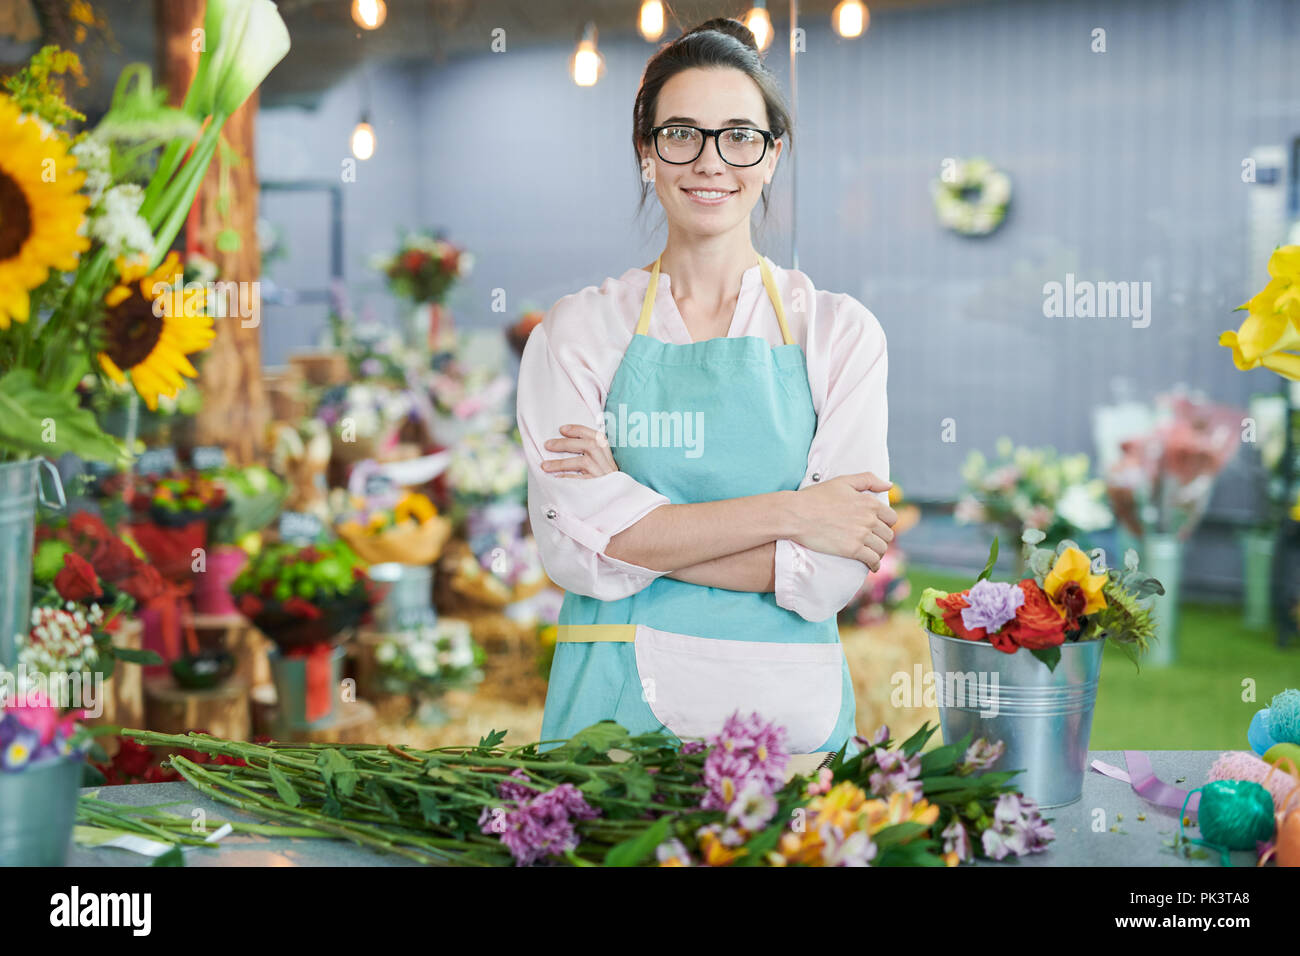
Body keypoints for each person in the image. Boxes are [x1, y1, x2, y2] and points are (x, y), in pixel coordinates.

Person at [515, 17, 896, 762]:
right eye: (681, 133)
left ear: (771, 155)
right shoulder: (579, 332)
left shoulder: (839, 333)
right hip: (611, 719)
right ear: (646, 153)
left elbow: (833, 570)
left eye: (739, 136)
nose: (710, 161)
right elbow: (570, 547)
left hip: (788, 723)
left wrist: (628, 529)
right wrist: (793, 514)